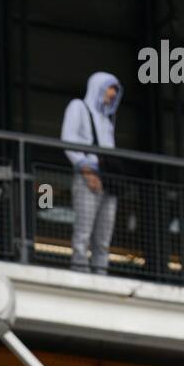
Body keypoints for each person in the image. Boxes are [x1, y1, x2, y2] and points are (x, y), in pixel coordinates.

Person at [62, 71, 123, 274]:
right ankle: (80, 270)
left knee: (104, 235)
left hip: (107, 180)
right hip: (87, 176)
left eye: (115, 89)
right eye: (110, 87)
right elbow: (68, 141)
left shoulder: (107, 121)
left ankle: (100, 272)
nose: (113, 93)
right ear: (98, 86)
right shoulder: (78, 107)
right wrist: (87, 171)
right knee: (84, 230)